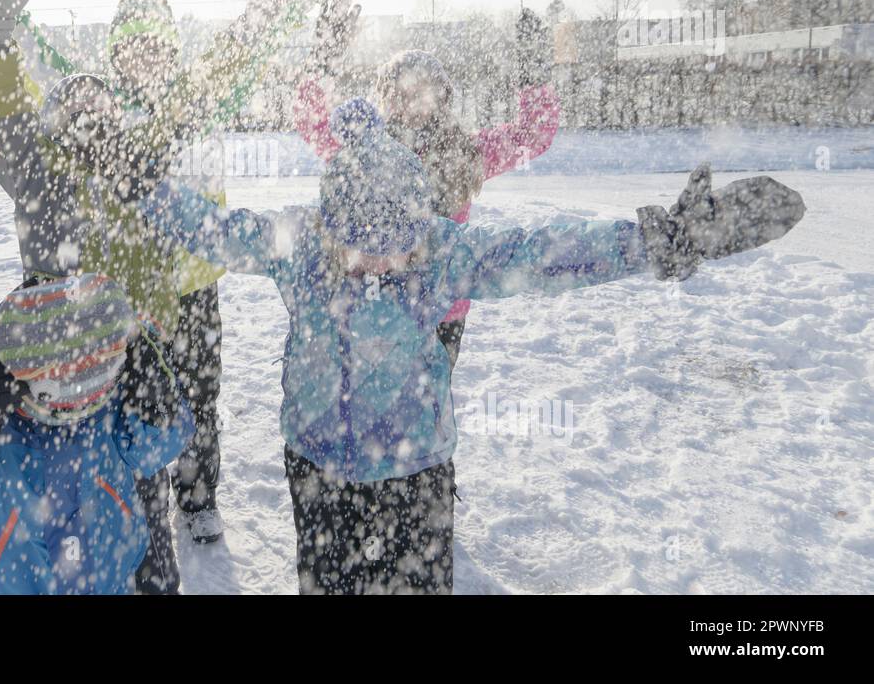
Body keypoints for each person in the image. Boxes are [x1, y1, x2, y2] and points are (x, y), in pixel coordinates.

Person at [136, 98, 806, 593]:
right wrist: (141, 186)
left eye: (396, 246)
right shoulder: (298, 246)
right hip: (318, 467)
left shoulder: (443, 257)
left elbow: (545, 253)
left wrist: (658, 241)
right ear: (329, 226)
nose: (379, 264)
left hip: (417, 472)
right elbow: (212, 228)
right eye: (361, 248)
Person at [0, 0, 320, 585]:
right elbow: (26, 70)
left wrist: (265, 18)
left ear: (170, 49)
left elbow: (234, 62)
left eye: (156, 44)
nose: (143, 57)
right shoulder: (61, 157)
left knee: (182, 412)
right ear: (113, 53)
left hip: (178, 294)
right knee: (101, 459)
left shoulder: (175, 112)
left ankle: (194, 499)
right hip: (95, 328)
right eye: (130, 45)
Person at [0, 273, 192, 594]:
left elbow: (156, 448)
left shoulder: (104, 352)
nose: (77, 405)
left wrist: (157, 395)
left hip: (111, 575)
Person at [295, 43, 561, 373]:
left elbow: (532, 135)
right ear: (384, 97)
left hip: (441, 311)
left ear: (441, 98)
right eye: (399, 92)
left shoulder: (465, 153)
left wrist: (533, 78)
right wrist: (324, 55)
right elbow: (314, 122)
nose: (408, 102)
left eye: (419, 92)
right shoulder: (364, 151)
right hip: (377, 305)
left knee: (429, 411)